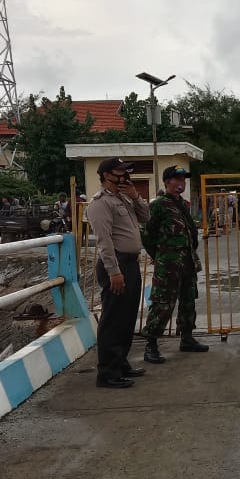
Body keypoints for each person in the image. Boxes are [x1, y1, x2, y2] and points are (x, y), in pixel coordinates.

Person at [87, 157, 150, 389]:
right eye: (120, 171)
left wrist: (135, 196)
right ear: (106, 175)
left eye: (125, 170)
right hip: (116, 265)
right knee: (113, 319)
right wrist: (114, 272)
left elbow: (146, 217)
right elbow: (104, 242)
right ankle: (107, 373)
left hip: (130, 263)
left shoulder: (123, 197)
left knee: (127, 317)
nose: (124, 174)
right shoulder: (100, 203)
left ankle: (121, 363)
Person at [140, 165, 209, 361]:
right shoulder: (158, 204)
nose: (181, 183)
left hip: (187, 262)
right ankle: (151, 344)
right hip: (168, 266)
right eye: (177, 180)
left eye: (183, 180)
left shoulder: (183, 204)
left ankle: (187, 338)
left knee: (188, 302)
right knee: (163, 304)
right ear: (167, 182)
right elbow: (147, 234)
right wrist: (160, 255)